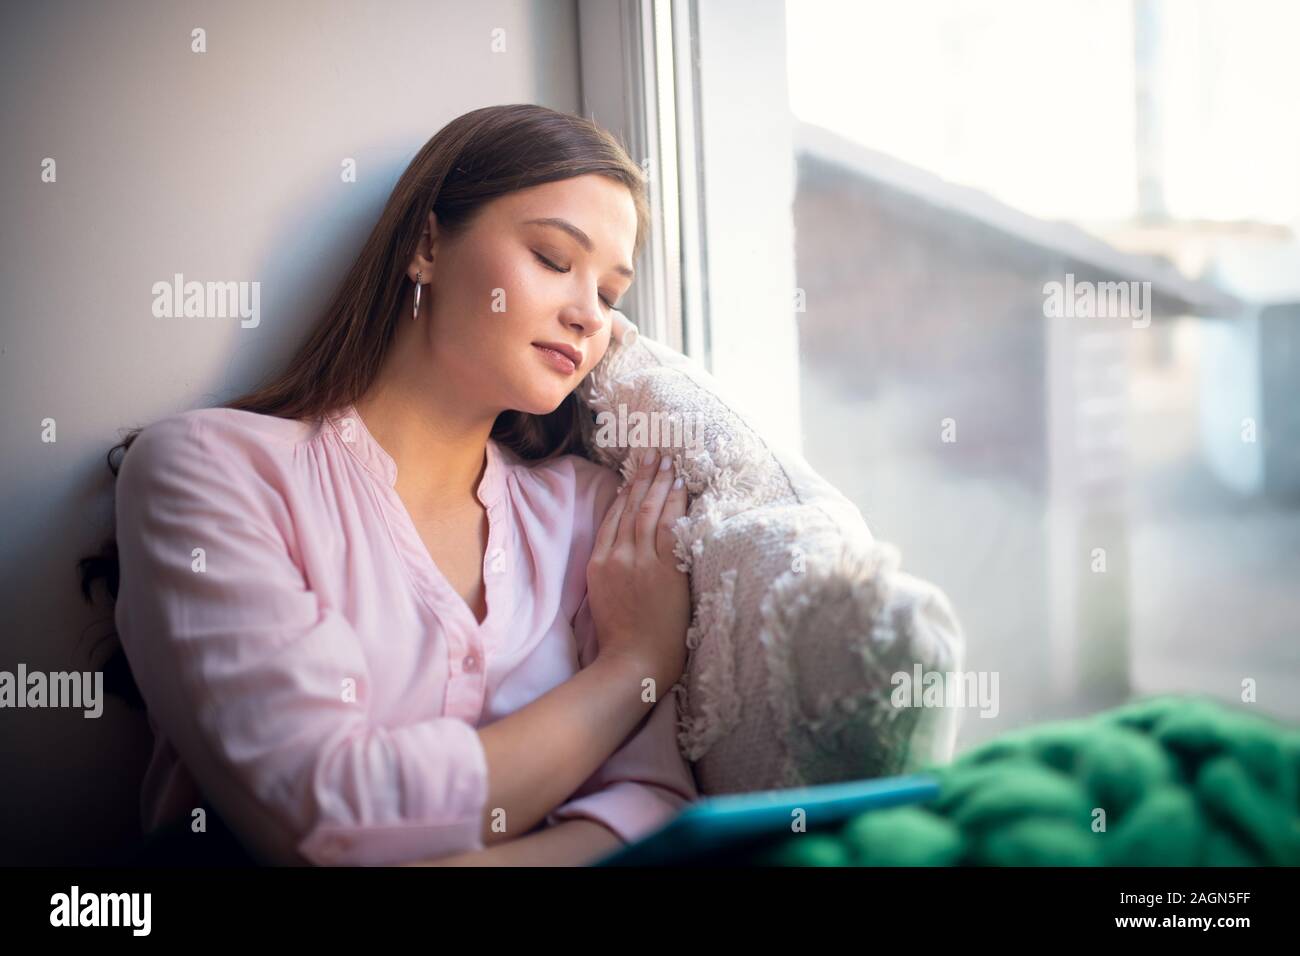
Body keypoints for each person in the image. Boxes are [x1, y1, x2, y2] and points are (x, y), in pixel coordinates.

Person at [82, 103, 697, 866]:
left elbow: (650, 805)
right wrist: (633, 665)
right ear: (427, 244)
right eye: (550, 257)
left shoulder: (595, 511)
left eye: (609, 294)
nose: (586, 316)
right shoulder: (209, 470)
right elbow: (323, 815)